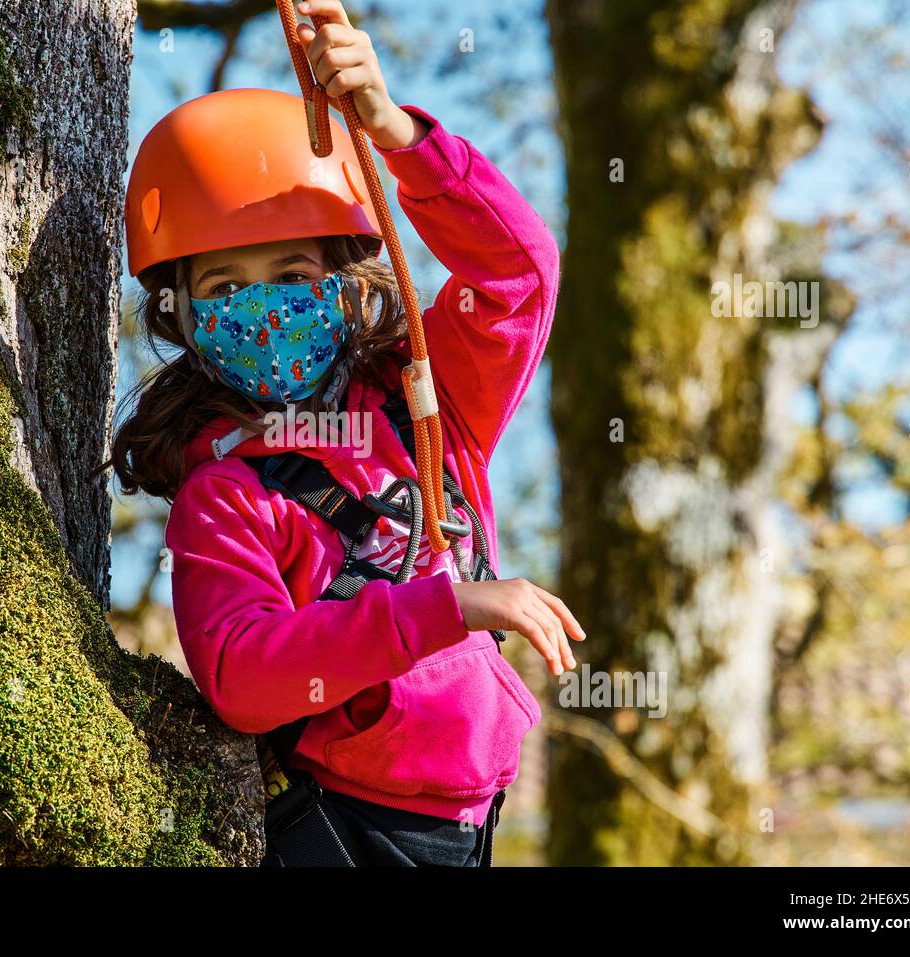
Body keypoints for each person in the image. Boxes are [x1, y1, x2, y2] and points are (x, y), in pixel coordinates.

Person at [111, 0, 584, 866]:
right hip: (344, 832)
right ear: (181, 317)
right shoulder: (229, 495)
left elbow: (518, 274)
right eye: (225, 285)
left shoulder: (427, 404)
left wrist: (398, 132)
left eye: (291, 272)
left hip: (473, 826)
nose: (264, 308)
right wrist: (445, 609)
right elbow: (244, 675)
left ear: (342, 279)